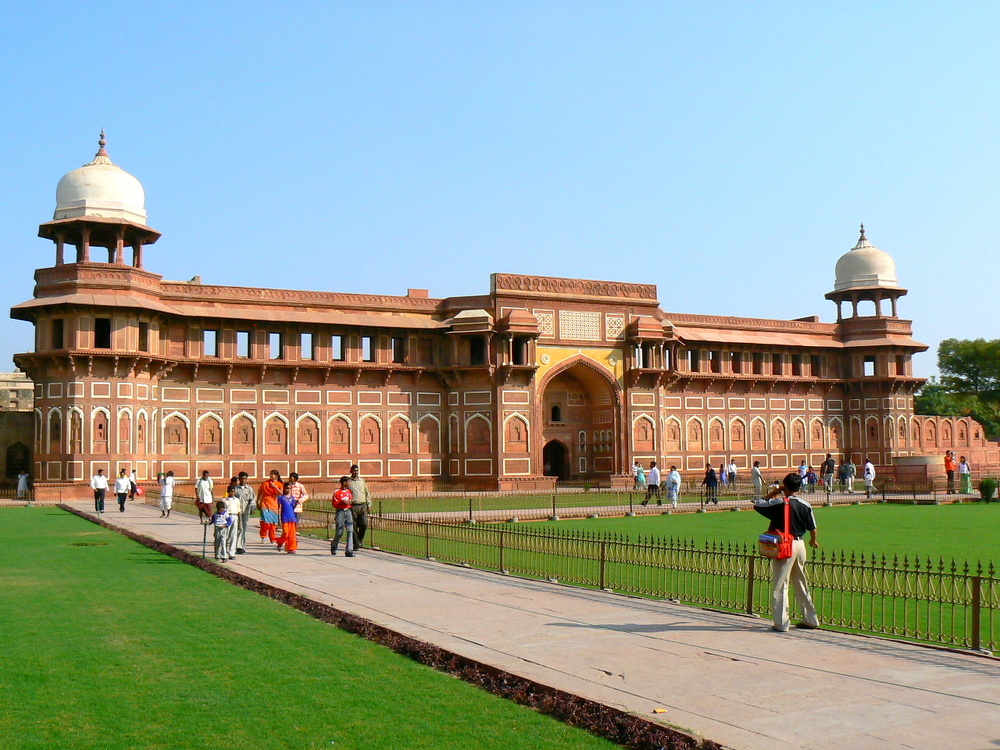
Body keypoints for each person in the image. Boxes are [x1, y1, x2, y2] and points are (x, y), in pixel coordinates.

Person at [753, 472, 820, 632]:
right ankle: (811, 619)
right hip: (799, 544)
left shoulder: (779, 503)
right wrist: (813, 541)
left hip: (784, 546)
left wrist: (775, 492)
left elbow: (758, 504)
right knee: (801, 582)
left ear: (785, 486)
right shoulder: (805, 505)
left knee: (781, 584)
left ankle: (782, 623)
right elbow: (813, 528)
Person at [346, 464, 373, 549]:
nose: (356, 472)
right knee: (353, 525)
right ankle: (356, 543)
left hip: (362, 505)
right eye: (354, 471)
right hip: (352, 506)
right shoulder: (348, 482)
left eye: (357, 470)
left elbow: (366, 492)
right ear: (351, 471)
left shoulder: (362, 481)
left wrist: (369, 503)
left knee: (364, 524)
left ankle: (359, 540)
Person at [330, 475, 356, 557]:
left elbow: (351, 500)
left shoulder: (348, 492)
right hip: (340, 512)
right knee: (339, 532)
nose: (350, 483)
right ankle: (334, 545)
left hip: (348, 511)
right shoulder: (337, 492)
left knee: (350, 530)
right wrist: (342, 502)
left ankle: (349, 550)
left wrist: (350, 502)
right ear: (344, 483)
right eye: (348, 482)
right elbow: (334, 503)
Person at [231, 472, 256, 554]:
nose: (243, 480)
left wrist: (252, 507)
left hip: (245, 512)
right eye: (242, 478)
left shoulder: (249, 489)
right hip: (236, 512)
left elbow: (252, 499)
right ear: (239, 479)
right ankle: (235, 546)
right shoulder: (235, 489)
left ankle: (241, 546)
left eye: (245, 478)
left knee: (243, 528)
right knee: (237, 528)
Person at [257, 470, 283, 544]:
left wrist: (275, 487)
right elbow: (260, 492)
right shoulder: (265, 483)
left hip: (274, 506)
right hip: (265, 504)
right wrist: (258, 501)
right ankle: (263, 536)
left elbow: (282, 493)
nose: (271, 475)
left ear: (276, 476)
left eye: (273, 474)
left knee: (272, 523)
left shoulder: (279, 484)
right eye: (270, 474)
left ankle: (273, 538)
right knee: (265, 522)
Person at [274, 483, 299, 554]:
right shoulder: (281, 498)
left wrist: (296, 503)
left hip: (292, 518)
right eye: (287, 488)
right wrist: (278, 517)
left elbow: (293, 508)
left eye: (290, 488)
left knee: (292, 534)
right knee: (286, 533)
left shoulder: (292, 498)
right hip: (284, 517)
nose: (288, 490)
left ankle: (291, 548)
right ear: (284, 488)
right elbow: (279, 508)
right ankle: (280, 543)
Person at [223, 486, 243, 559]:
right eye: (231, 491)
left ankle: (232, 553)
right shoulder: (224, 500)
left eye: (233, 492)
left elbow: (239, 511)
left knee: (233, 535)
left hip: (235, 516)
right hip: (227, 517)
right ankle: (224, 552)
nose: (232, 493)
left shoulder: (237, 500)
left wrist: (240, 522)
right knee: (226, 535)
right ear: (228, 492)